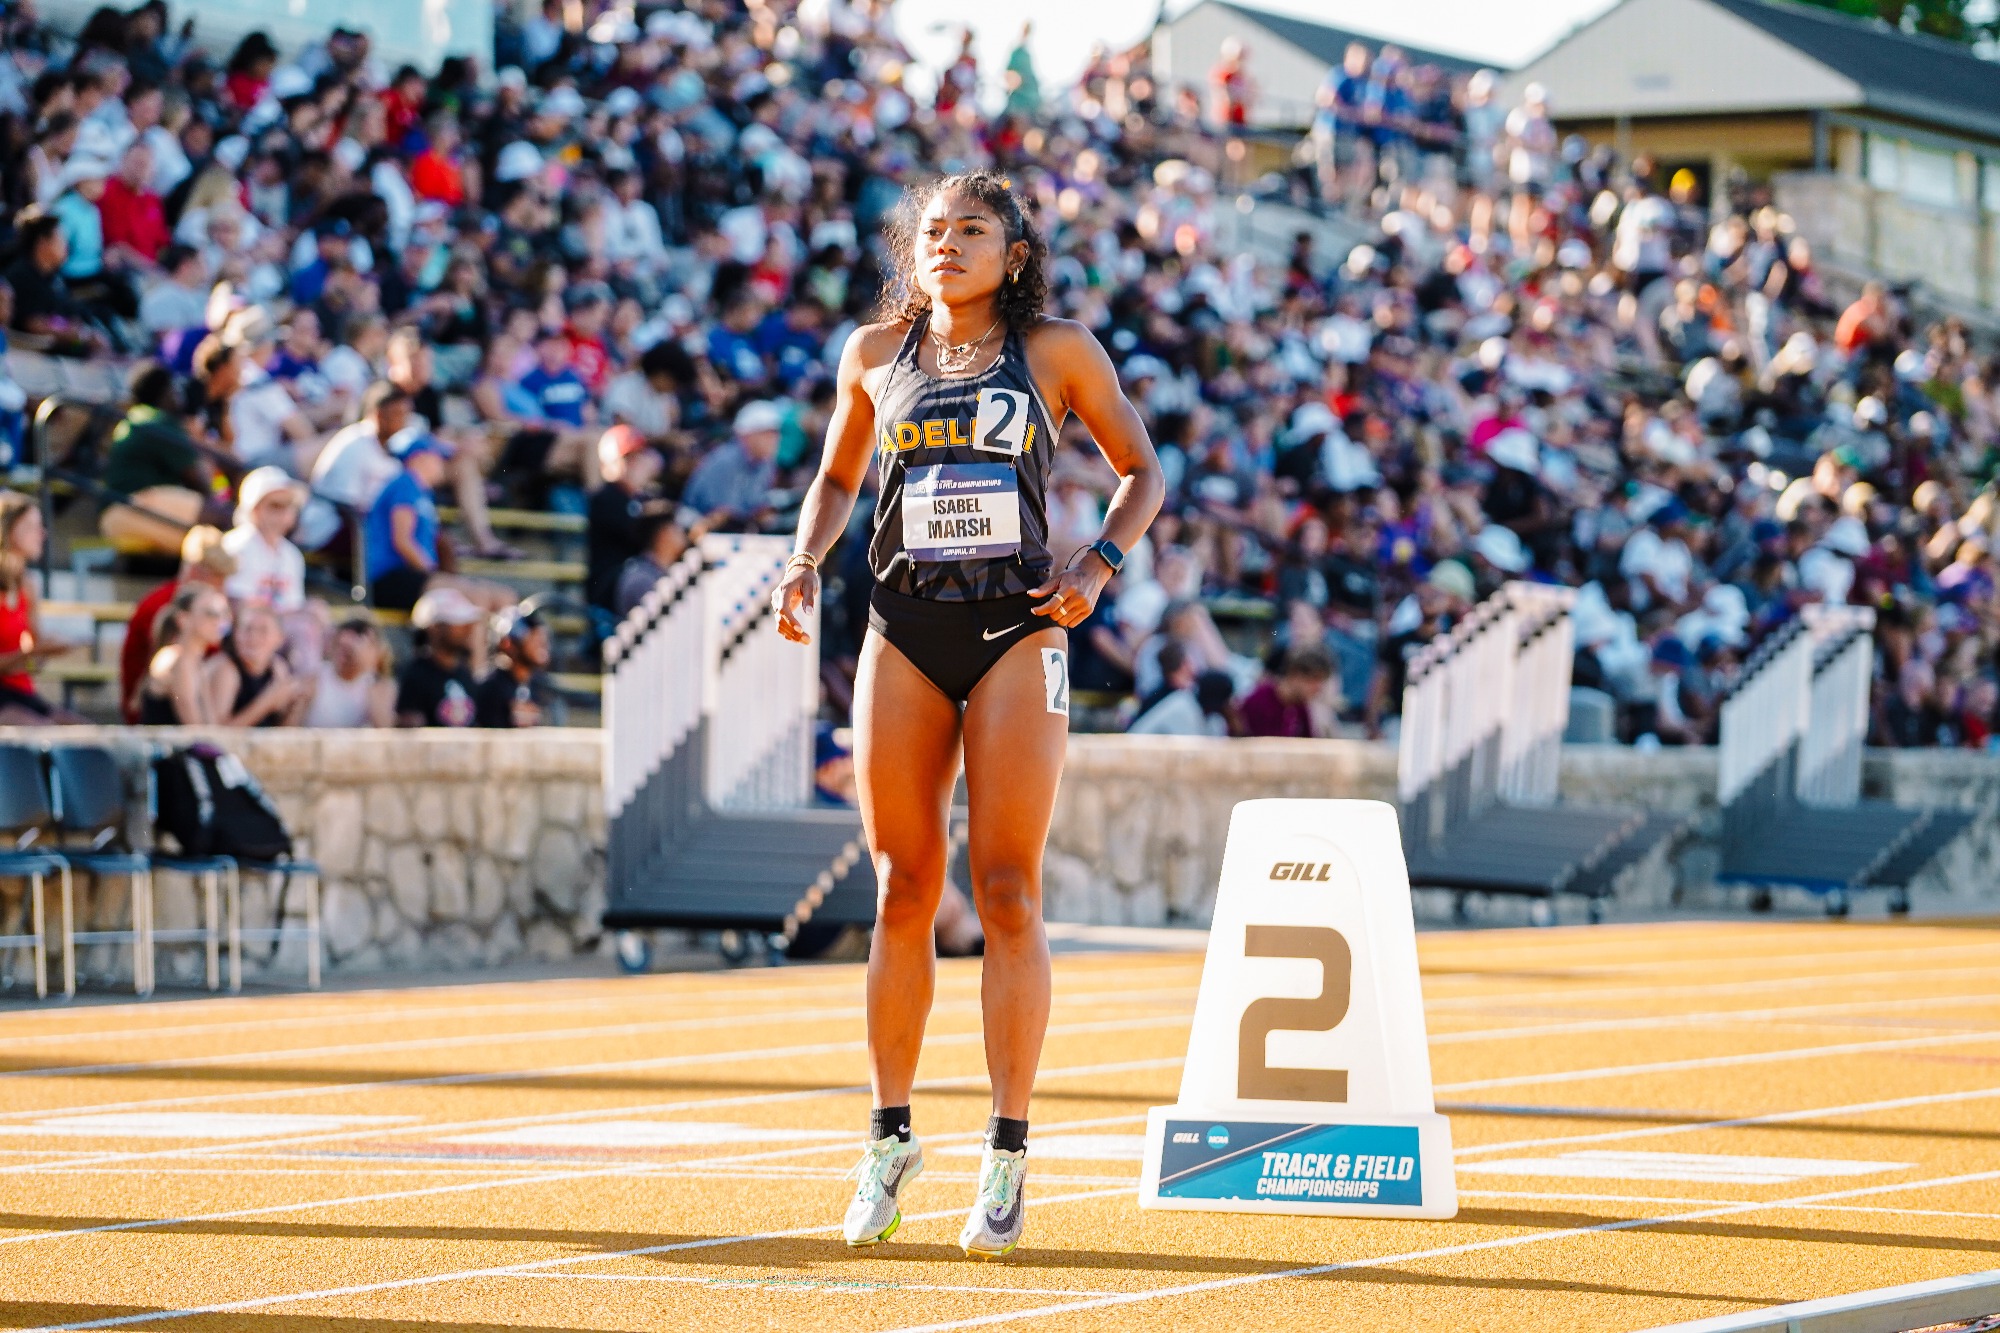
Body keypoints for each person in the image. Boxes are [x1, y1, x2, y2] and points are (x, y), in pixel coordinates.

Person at [770, 171, 1163, 1258]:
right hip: (900, 630)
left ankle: (1006, 1150)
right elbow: (835, 479)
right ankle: (888, 1140)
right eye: (933, 231)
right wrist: (802, 561)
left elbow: (1143, 471)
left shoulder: (1057, 351)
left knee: (1005, 888)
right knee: (901, 886)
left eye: (972, 230)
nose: (946, 246)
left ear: (1014, 252)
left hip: (1016, 629)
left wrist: (1098, 561)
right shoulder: (870, 353)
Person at [99, 359, 219, 554]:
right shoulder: (158, 421)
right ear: (164, 391)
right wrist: (197, 436)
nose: (178, 393)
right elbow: (201, 482)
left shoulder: (138, 415)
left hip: (119, 513)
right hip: (129, 509)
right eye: (173, 387)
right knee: (228, 517)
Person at [120, 524, 235, 723]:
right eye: (216, 577)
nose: (221, 588)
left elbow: (209, 730)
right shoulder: (176, 655)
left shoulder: (192, 659)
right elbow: (193, 730)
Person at [0, 493, 79, 721]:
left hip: (20, 692)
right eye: (32, 526)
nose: (42, 534)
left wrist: (49, 649)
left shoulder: (28, 584)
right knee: (45, 735)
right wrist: (35, 651)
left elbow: (34, 661)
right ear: (9, 530)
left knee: (85, 734)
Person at [584, 425, 662, 613]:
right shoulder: (605, 497)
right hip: (610, 586)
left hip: (636, 577)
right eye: (628, 458)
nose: (634, 465)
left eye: (637, 457)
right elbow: (638, 533)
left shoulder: (643, 498)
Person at [135, 582, 230, 725]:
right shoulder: (177, 660)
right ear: (183, 619)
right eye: (211, 613)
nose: (220, 621)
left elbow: (210, 727)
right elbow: (193, 728)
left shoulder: (194, 661)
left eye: (224, 613)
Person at [203, 600, 306, 727]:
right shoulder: (226, 669)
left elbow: (282, 731)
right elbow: (219, 734)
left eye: (263, 630)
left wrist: (297, 707)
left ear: (279, 639)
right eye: (247, 628)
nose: (253, 637)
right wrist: (267, 702)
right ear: (235, 634)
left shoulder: (278, 668)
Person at [395, 586, 482, 727]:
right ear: (434, 627)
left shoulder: (465, 673)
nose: (468, 629)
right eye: (458, 623)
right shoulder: (412, 675)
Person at [683, 399, 781, 524]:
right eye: (767, 435)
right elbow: (721, 512)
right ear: (746, 436)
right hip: (698, 522)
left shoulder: (767, 463)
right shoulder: (726, 460)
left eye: (775, 434)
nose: (774, 440)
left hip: (736, 527)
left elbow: (757, 504)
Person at [473, 603, 561, 727]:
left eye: (542, 638)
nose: (541, 643)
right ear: (508, 643)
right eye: (532, 637)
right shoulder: (490, 687)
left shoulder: (541, 686)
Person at [303, 615, 396, 728]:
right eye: (339, 646)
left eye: (348, 650)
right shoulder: (315, 678)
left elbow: (384, 729)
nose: (342, 656)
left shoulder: (380, 686)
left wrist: (371, 663)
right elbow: (290, 728)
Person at [1238, 642, 1336, 738]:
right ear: (1295, 675)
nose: (1318, 688)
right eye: (1314, 679)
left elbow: (1310, 743)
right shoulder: (1260, 700)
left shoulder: (1300, 706)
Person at [613, 501, 690, 619]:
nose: (682, 532)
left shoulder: (658, 571)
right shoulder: (640, 579)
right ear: (664, 534)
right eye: (676, 527)